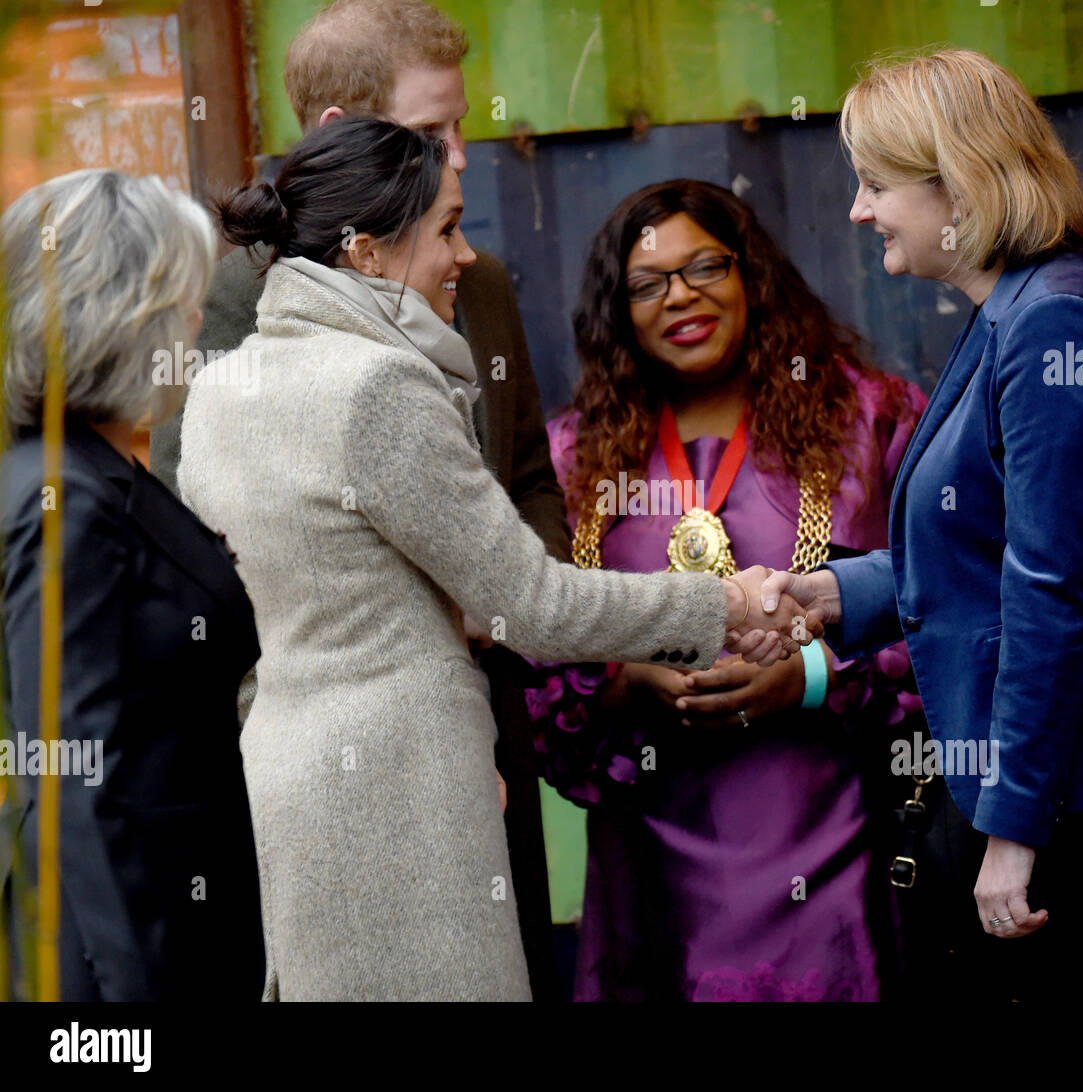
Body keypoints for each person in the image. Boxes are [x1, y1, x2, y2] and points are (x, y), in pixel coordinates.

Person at [180, 118, 803, 1001]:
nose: (464, 255)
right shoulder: (380, 387)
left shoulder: (218, 391)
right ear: (364, 252)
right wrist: (725, 606)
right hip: (406, 785)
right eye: (445, 228)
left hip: (287, 779)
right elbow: (534, 606)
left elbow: (259, 610)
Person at [747, 49, 1083, 1002]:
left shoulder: (1057, 322)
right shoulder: (1022, 306)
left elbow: (1053, 591)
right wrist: (837, 593)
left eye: (877, 184)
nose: (858, 209)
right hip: (1073, 782)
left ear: (957, 187)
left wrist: (1013, 830)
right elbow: (986, 547)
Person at [148, 0, 567, 995]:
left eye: (462, 128)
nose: (461, 158)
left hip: (483, 725)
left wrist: (500, 600)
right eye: (432, 134)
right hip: (343, 775)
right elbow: (209, 554)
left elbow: (528, 481)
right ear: (343, 132)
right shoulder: (235, 303)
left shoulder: (481, 280)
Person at [523, 179, 927, 1001]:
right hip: (651, 863)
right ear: (618, 310)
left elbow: (946, 609)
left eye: (705, 266)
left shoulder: (868, 419)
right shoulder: (572, 460)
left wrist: (809, 677)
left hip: (833, 846)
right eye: (647, 284)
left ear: (752, 275)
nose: (681, 298)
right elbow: (528, 656)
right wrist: (626, 677)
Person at [0, 170, 263, 1000]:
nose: (195, 322)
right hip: (127, 950)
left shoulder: (99, 470)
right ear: (122, 319)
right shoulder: (65, 494)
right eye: (182, 302)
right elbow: (73, 766)